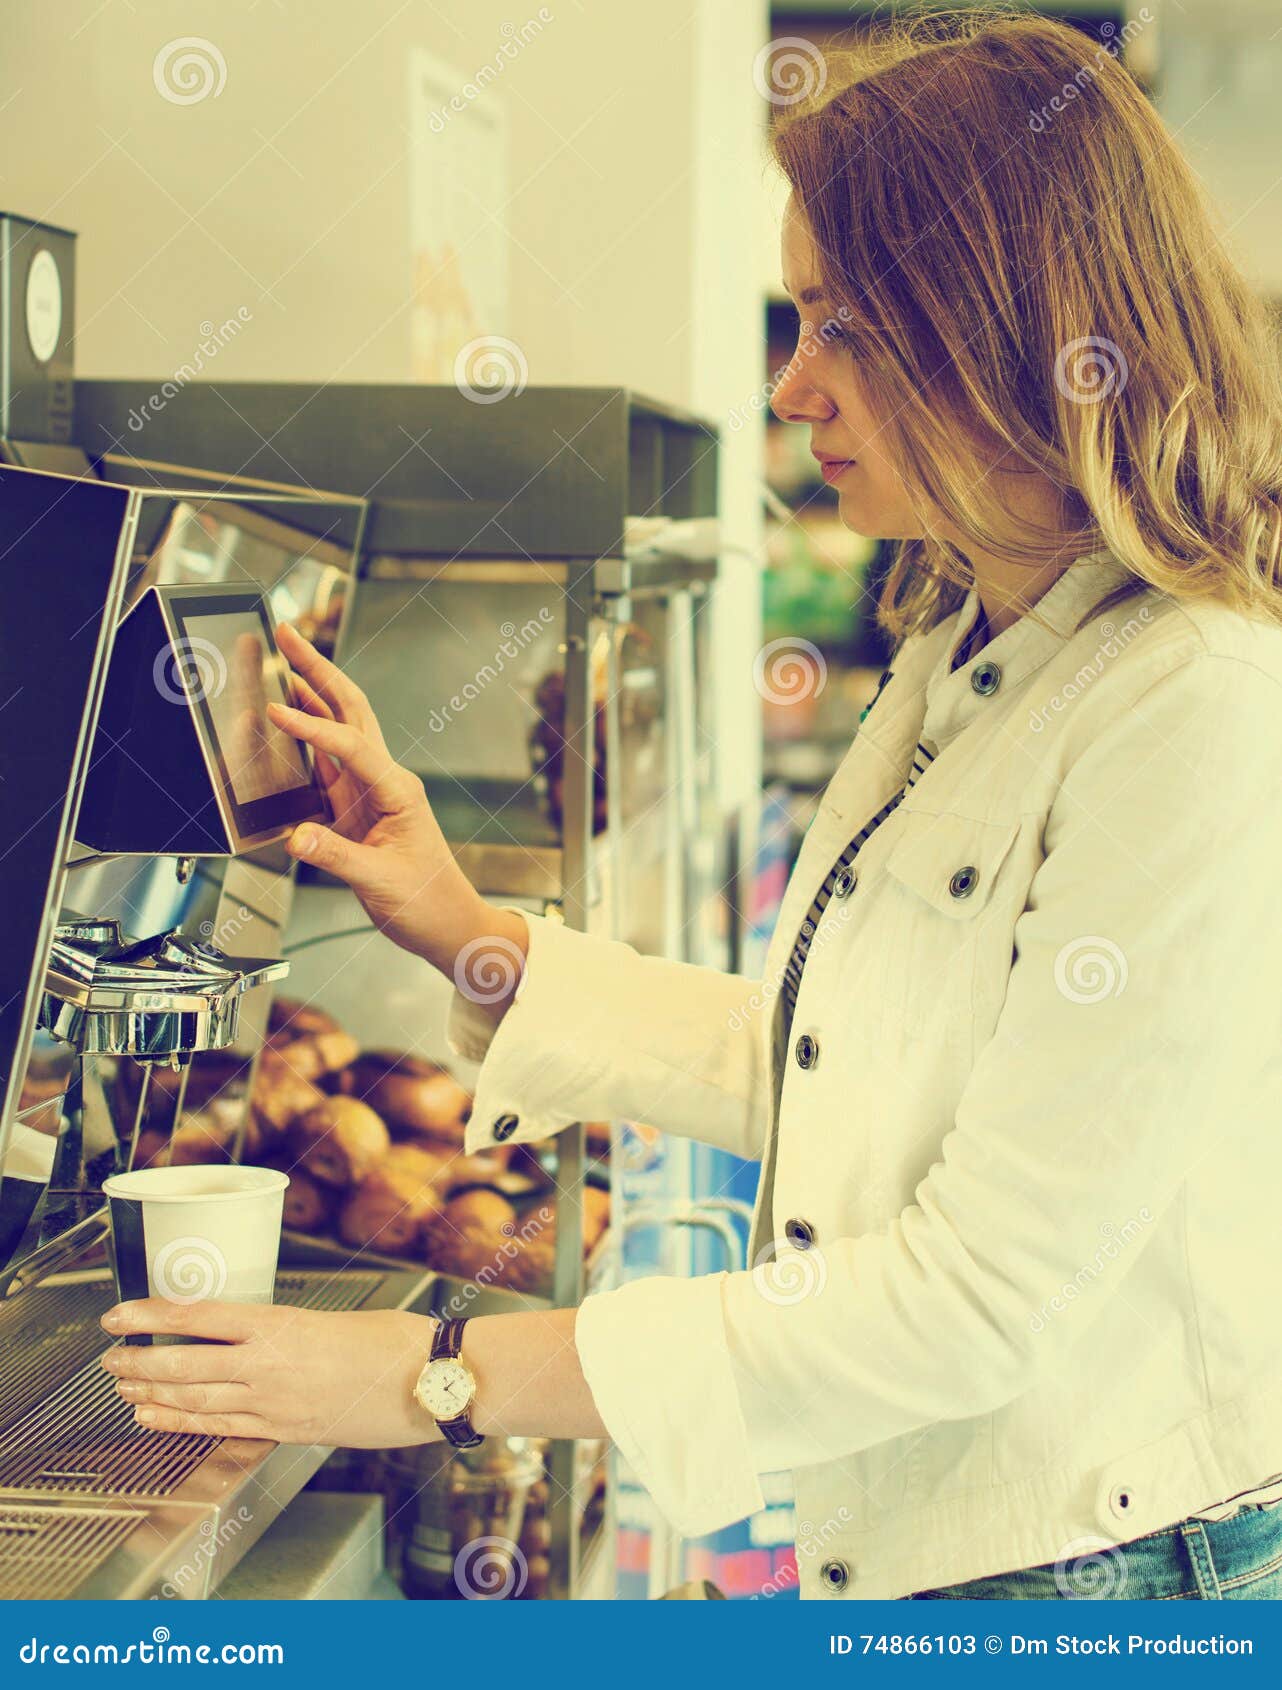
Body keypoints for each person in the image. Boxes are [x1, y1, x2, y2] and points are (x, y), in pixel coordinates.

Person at [100, 13, 1282, 1600]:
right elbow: (843, 1061)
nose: (793, 384)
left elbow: (975, 1297)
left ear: (1007, 324)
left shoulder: (1191, 703)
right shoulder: (970, 641)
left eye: (839, 325)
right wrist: (464, 930)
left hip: (1105, 1578)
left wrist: (418, 1372)